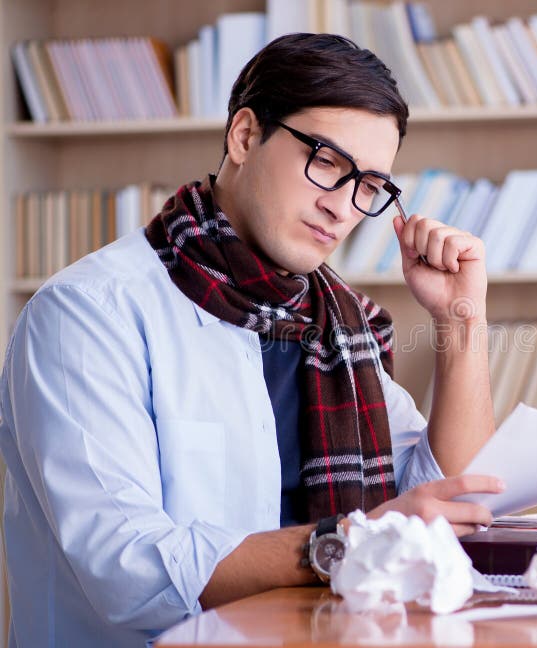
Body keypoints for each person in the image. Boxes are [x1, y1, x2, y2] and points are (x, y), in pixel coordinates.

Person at [0, 33, 500, 647]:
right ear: (244, 136)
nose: (344, 206)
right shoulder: (87, 313)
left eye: (368, 185)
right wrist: (347, 542)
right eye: (328, 162)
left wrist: (461, 319)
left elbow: (447, 495)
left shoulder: (335, 323)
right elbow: (127, 570)